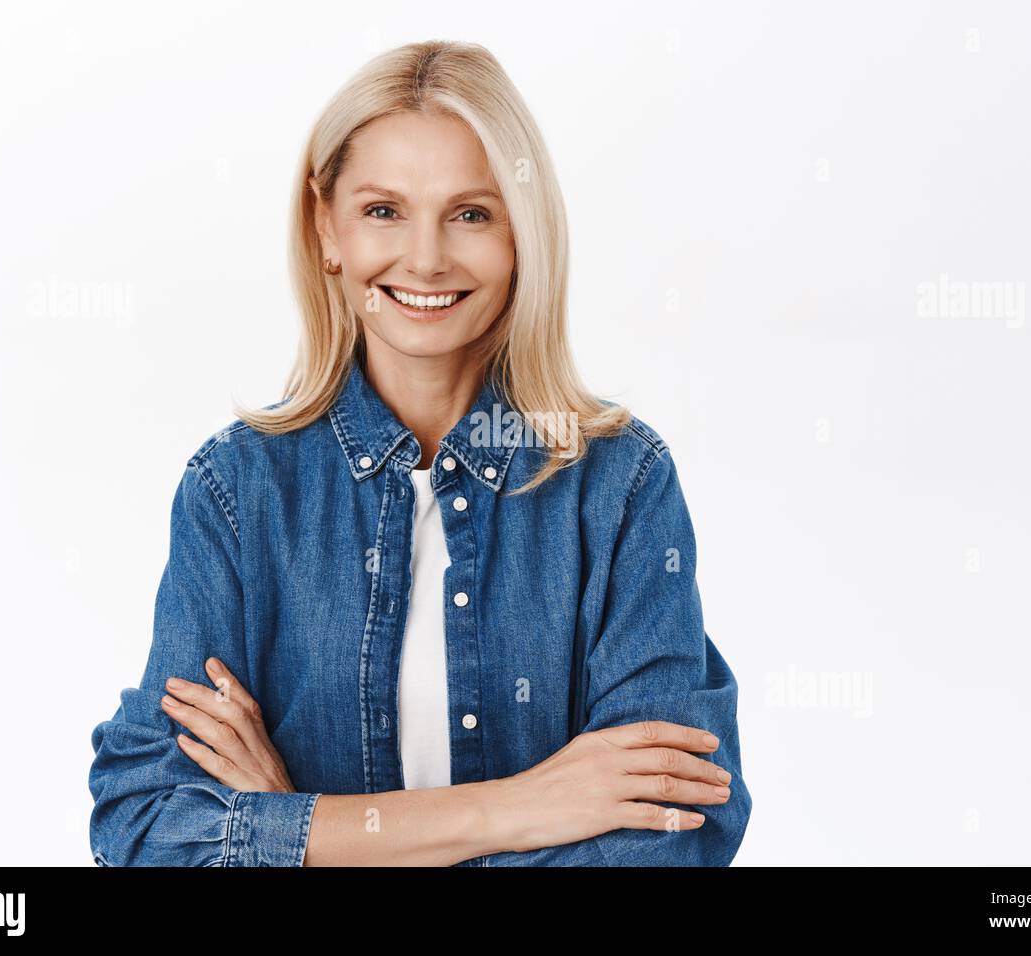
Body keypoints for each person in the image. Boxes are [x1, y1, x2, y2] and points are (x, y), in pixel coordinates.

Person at [88, 39, 753, 866]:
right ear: (325, 227)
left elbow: (670, 832)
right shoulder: (237, 490)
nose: (428, 257)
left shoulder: (619, 486)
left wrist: (295, 829)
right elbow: (144, 825)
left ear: (523, 235)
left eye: (471, 214)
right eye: (383, 210)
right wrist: (510, 811)